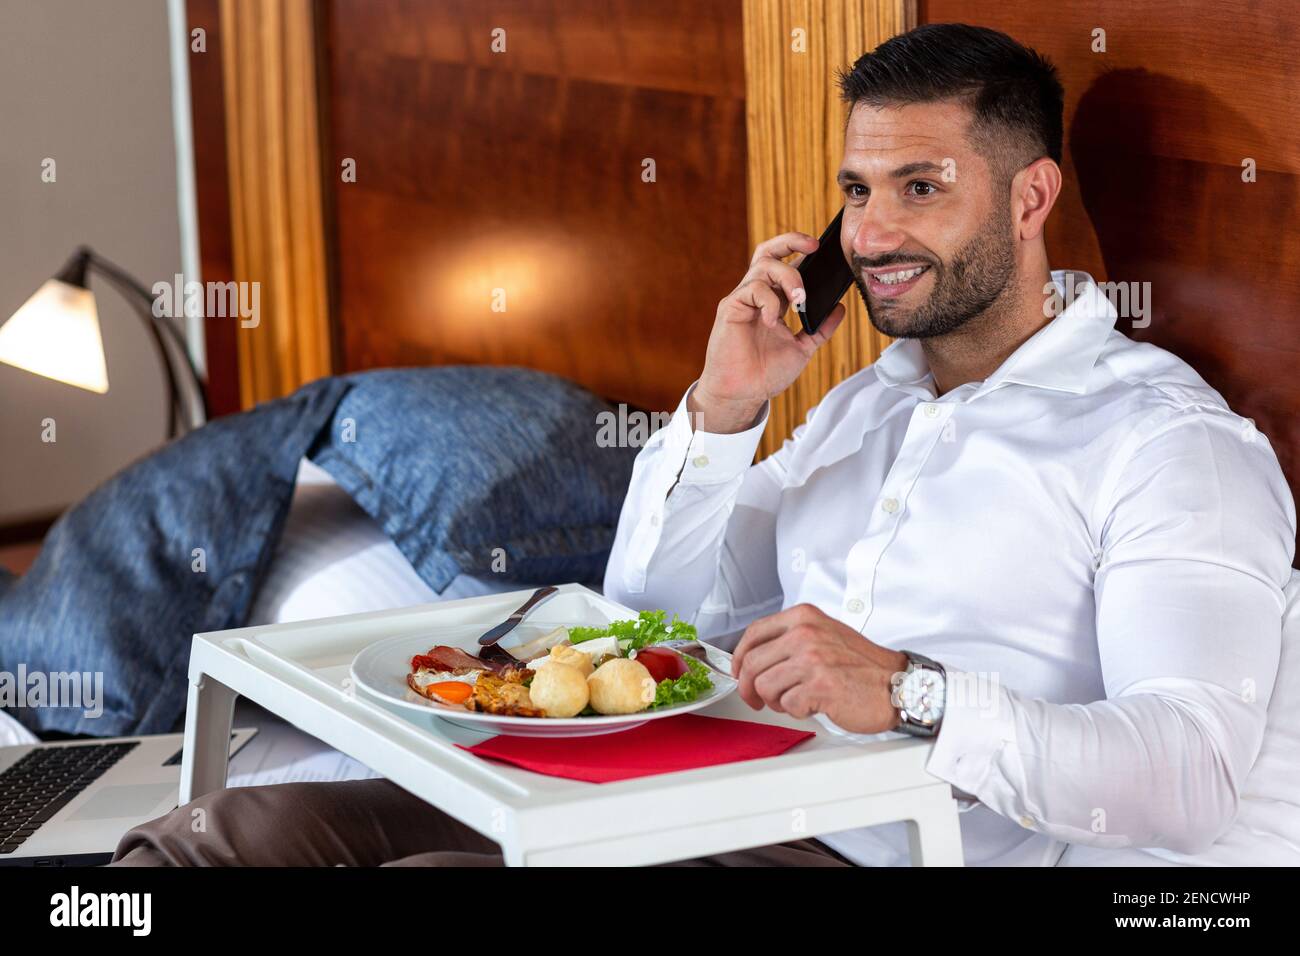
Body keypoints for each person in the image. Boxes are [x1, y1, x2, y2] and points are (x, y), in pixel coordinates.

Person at [111, 22, 1294, 868]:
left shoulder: (1167, 445)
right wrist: (723, 413)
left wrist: (915, 693)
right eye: (856, 189)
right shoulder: (865, 402)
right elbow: (651, 613)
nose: (871, 232)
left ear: (1030, 197)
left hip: (860, 850)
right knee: (224, 832)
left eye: (920, 188)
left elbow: (1188, 776)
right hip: (691, 797)